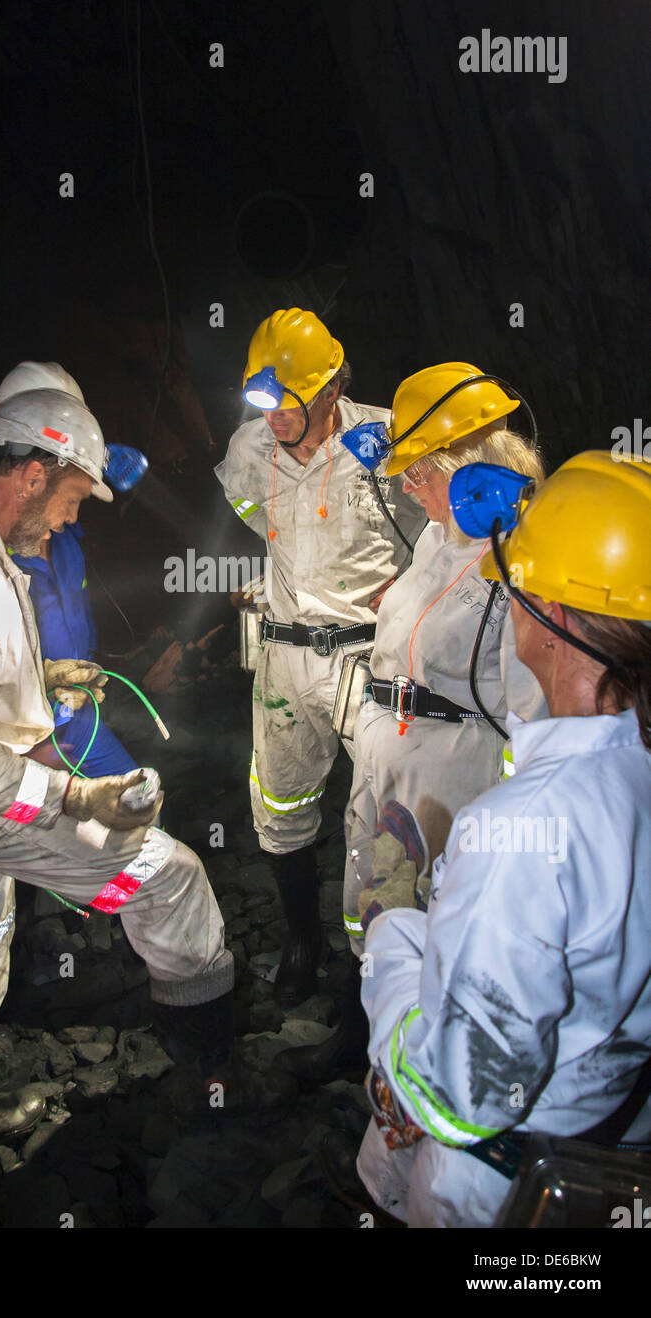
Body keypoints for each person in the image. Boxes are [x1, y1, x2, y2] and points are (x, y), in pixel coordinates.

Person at [0, 375, 241, 1150]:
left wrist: (38, 681)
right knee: (172, 879)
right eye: (73, 500)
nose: (69, 521)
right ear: (34, 474)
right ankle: (207, 1081)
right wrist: (80, 799)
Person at [358, 449, 651, 1226]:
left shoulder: (523, 829)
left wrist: (390, 930)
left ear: (550, 616)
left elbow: (459, 1097)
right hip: (614, 1151)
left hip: (501, 1194)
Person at [287, 363, 547, 1085]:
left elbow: (532, 704)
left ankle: (428, 1067)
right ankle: (361, 1027)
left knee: (432, 905)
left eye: (422, 470)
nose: (407, 485)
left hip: (454, 764)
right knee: (368, 893)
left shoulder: (518, 561)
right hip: (386, 742)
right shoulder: (437, 537)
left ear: (471, 471)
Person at [215, 309, 426, 1006]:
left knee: (382, 820)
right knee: (279, 804)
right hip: (282, 661)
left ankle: (379, 977)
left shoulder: (390, 443)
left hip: (368, 662)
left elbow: (444, 533)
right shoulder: (251, 449)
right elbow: (258, 515)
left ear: (332, 389)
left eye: (289, 401)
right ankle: (303, 942)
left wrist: (408, 589)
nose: (274, 416)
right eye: (263, 399)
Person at [3, 362, 137, 779]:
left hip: (75, 709)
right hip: (14, 733)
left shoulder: (64, 530)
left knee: (138, 809)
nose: (68, 516)